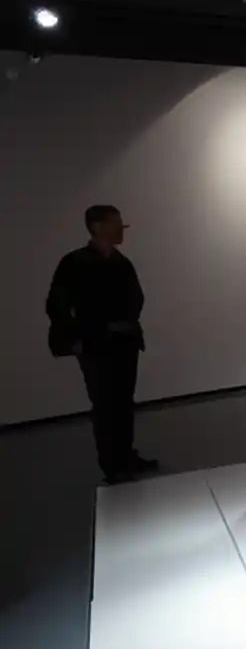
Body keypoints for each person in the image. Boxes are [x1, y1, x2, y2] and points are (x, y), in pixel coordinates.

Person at [46, 205, 158, 484]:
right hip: (96, 345)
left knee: (123, 402)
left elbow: (136, 298)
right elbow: (57, 305)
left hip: (125, 342)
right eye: (116, 224)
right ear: (97, 227)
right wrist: (76, 338)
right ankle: (112, 464)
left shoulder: (121, 263)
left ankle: (125, 456)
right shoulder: (75, 263)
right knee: (105, 404)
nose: (122, 229)